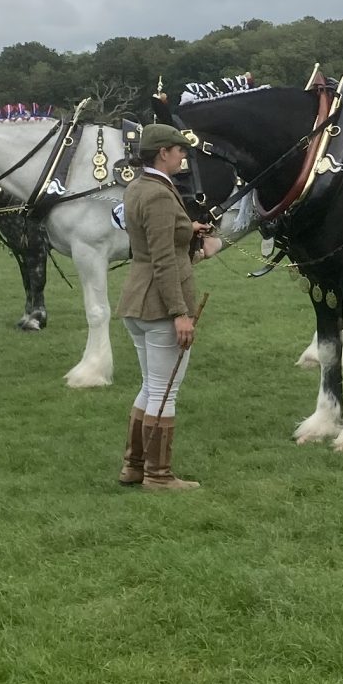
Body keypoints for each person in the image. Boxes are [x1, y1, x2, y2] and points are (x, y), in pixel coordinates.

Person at [117, 123, 222, 489]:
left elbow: (153, 236)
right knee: (164, 390)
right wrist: (180, 314)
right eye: (179, 151)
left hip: (137, 299)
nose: (183, 157)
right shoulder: (159, 195)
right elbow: (162, 259)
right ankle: (159, 475)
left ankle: (134, 466)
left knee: (151, 386)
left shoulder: (139, 186)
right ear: (163, 153)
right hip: (159, 305)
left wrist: (186, 229)